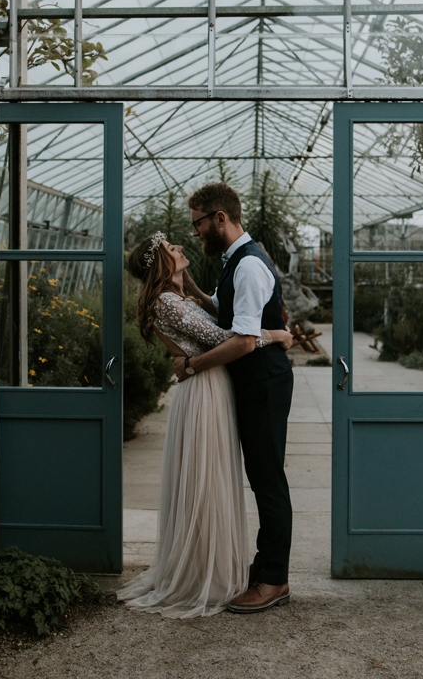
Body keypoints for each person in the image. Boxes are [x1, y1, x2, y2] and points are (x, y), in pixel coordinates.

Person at [117, 232, 293, 618]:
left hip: (212, 386)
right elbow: (227, 337)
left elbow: (214, 324)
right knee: (206, 480)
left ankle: (235, 572)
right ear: (162, 263)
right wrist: (277, 333)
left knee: (225, 478)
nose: (182, 246)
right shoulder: (168, 301)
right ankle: (209, 574)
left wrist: (193, 293)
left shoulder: (177, 297)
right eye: (171, 249)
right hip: (204, 392)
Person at [176, 182, 296, 614]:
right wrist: (190, 286)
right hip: (256, 380)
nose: (196, 233)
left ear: (220, 219)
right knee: (263, 475)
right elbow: (229, 315)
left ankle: (273, 580)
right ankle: (266, 570)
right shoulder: (236, 261)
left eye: (198, 224)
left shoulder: (247, 266)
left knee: (267, 480)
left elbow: (244, 341)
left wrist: (192, 366)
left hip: (262, 381)